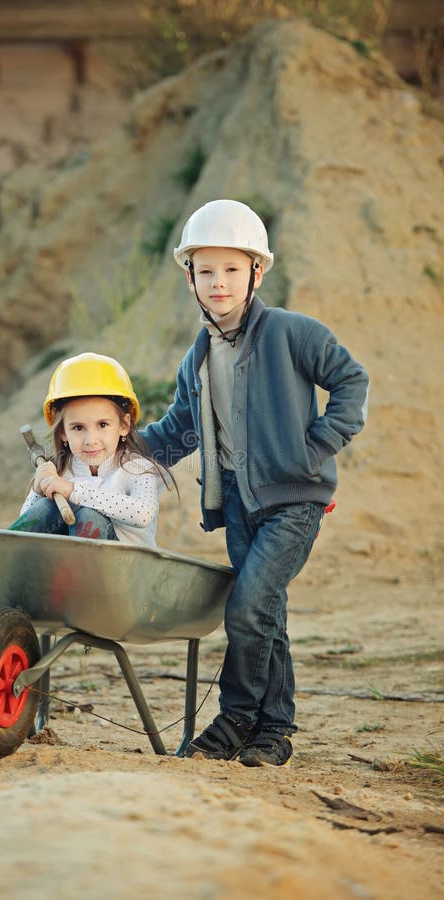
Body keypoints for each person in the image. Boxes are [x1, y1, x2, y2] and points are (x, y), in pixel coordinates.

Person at [140, 199, 369, 767]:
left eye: (232, 269)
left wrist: (312, 448)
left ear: (256, 272)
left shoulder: (291, 333)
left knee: (246, 606)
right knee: (267, 612)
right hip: (238, 505)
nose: (219, 282)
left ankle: (236, 714)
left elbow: (352, 382)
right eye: (206, 270)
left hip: (293, 501)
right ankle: (274, 730)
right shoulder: (197, 357)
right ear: (189, 277)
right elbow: (181, 430)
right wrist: (122, 451)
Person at [9, 352, 171, 548]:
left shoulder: (138, 469)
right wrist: (37, 489)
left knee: (89, 515)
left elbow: (142, 514)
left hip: (120, 567)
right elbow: (28, 524)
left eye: (102, 425)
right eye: (78, 428)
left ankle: (83, 576)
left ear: (124, 425)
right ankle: (1, 562)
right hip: (62, 565)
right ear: (62, 433)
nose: (90, 440)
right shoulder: (61, 471)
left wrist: (73, 490)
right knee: (46, 506)